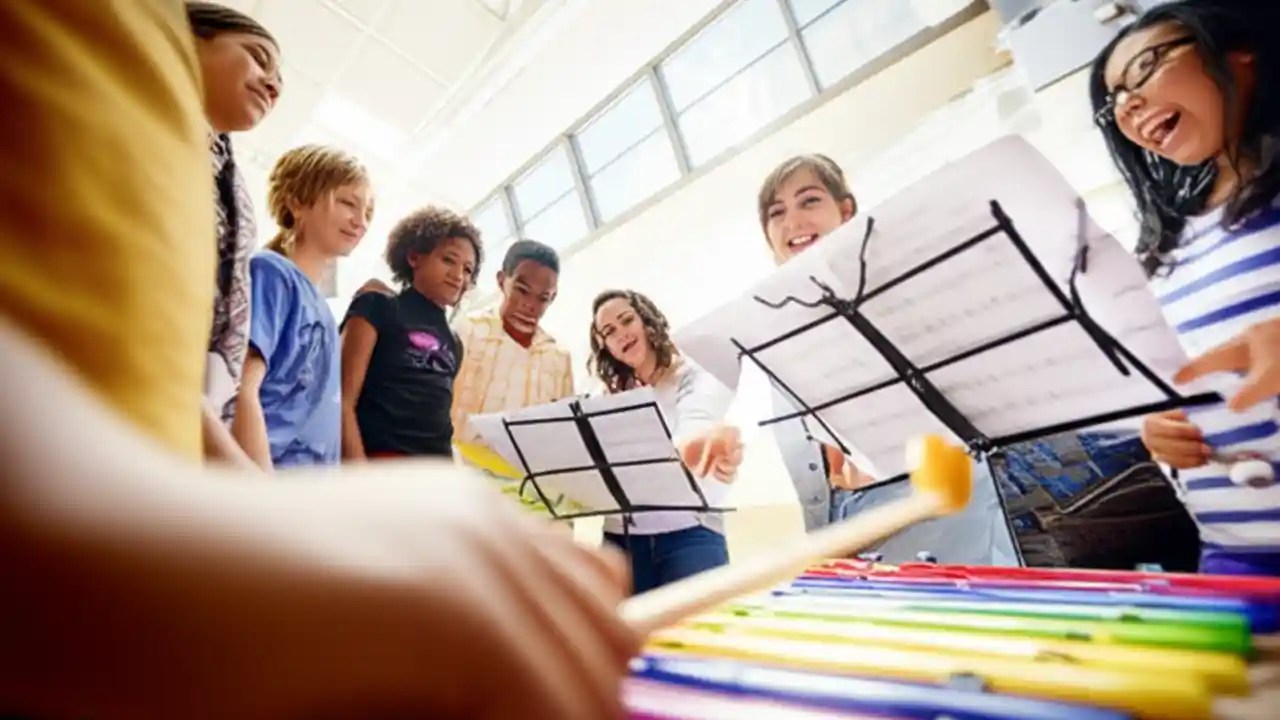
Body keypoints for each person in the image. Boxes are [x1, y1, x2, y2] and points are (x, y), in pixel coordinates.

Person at [0, 3, 636, 717]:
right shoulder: (313, 287)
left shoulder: (219, 189)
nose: (272, 80)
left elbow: (181, 379)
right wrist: (260, 510)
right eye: (254, 56)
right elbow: (250, 390)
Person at [1091, 0, 1280, 574]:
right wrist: (1159, 433)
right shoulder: (1165, 248)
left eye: (1144, 67)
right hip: (1237, 560)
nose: (1127, 105)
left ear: (1239, 54)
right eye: (1113, 100)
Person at [589, 289, 743, 592]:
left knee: (698, 634)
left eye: (626, 320)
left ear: (646, 321)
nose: (621, 334)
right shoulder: (602, 396)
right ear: (604, 346)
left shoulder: (692, 376)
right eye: (609, 332)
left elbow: (694, 426)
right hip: (623, 540)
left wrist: (710, 446)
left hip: (689, 534)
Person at [233, 144, 373, 469]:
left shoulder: (324, 311)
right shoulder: (271, 272)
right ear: (297, 201)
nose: (360, 222)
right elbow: (242, 387)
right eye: (347, 203)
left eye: (367, 212)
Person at [187, 2, 283, 469]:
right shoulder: (149, 135)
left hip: (202, 415)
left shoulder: (232, 183)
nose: (274, 84)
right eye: (258, 57)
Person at [340, 207, 481, 460]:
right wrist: (358, 477)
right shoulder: (377, 306)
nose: (458, 276)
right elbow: (341, 399)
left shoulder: (454, 342)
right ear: (415, 257)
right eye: (449, 260)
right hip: (381, 465)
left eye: (468, 269)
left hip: (436, 475)